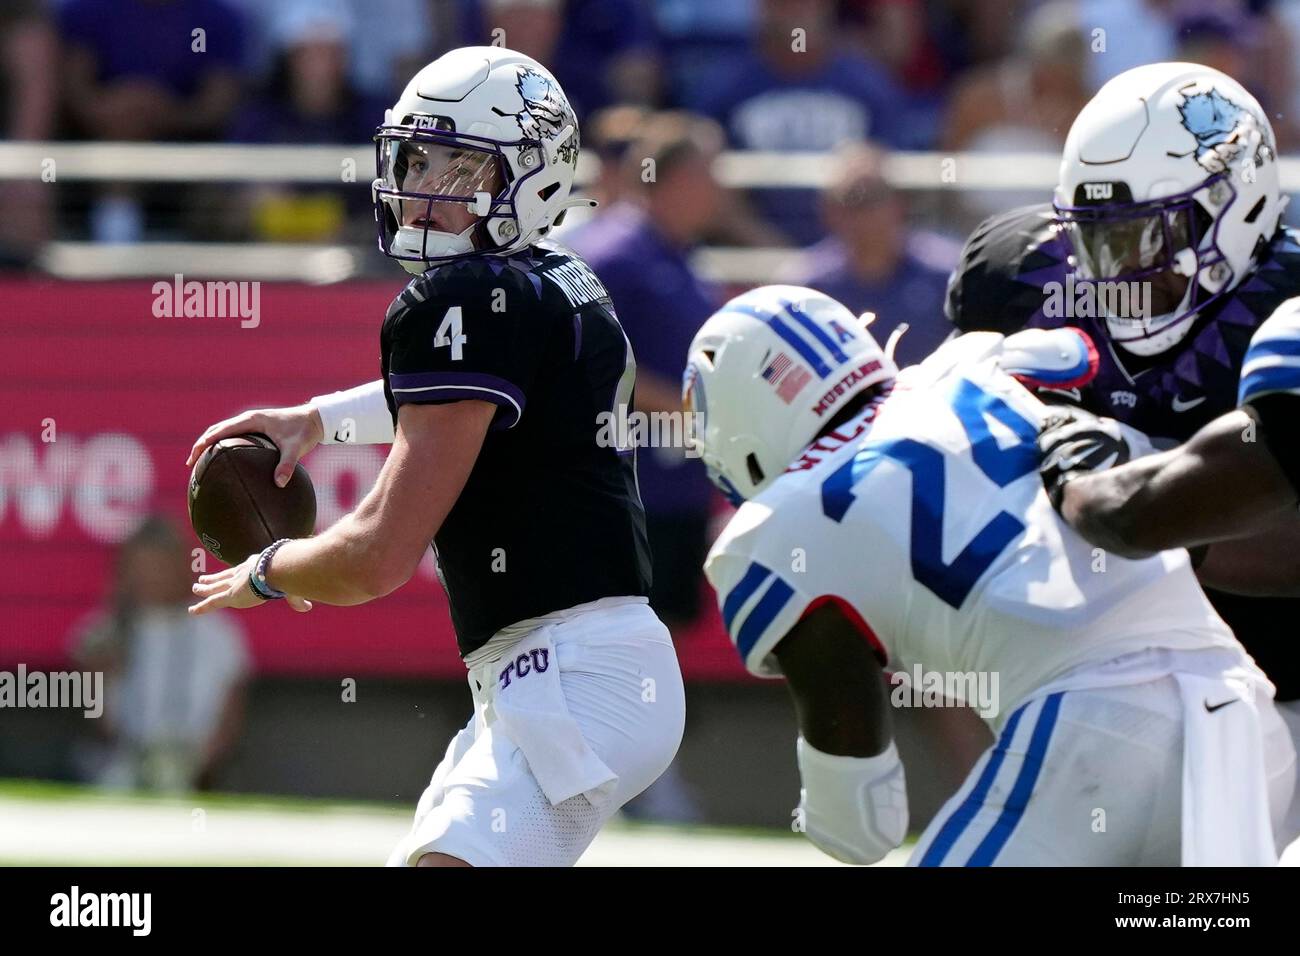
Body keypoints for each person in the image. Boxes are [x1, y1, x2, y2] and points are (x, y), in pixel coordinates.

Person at [185, 46, 685, 867]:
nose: (424, 188)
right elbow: (466, 406)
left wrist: (271, 570)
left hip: (573, 679)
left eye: (459, 169)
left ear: (533, 181)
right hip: (573, 672)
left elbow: (380, 554)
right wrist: (316, 418)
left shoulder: (464, 302)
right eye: (418, 159)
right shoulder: (551, 281)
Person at [687, 284, 1295, 865]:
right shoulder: (983, 360)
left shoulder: (773, 530)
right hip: (1240, 714)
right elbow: (1077, 360)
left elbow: (862, 826)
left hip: (1092, 724)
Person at [944, 64, 1300, 822]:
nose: (1121, 271)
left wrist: (1148, 503)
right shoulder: (1018, 276)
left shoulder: (1289, 307)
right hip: (1100, 681)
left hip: (1282, 684)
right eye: (1097, 241)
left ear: (1233, 209)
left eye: (1147, 237)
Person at [73, 516, 250, 793]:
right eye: (140, 568)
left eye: (158, 566)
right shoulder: (102, 633)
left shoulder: (218, 632)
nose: (149, 578)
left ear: (181, 566)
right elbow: (94, 722)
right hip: (120, 767)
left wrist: (199, 767)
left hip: (195, 770)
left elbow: (230, 720)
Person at [789, 141, 957, 367]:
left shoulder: (947, 274)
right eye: (849, 199)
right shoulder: (806, 288)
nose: (861, 213)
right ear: (828, 212)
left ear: (900, 204)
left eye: (873, 198)